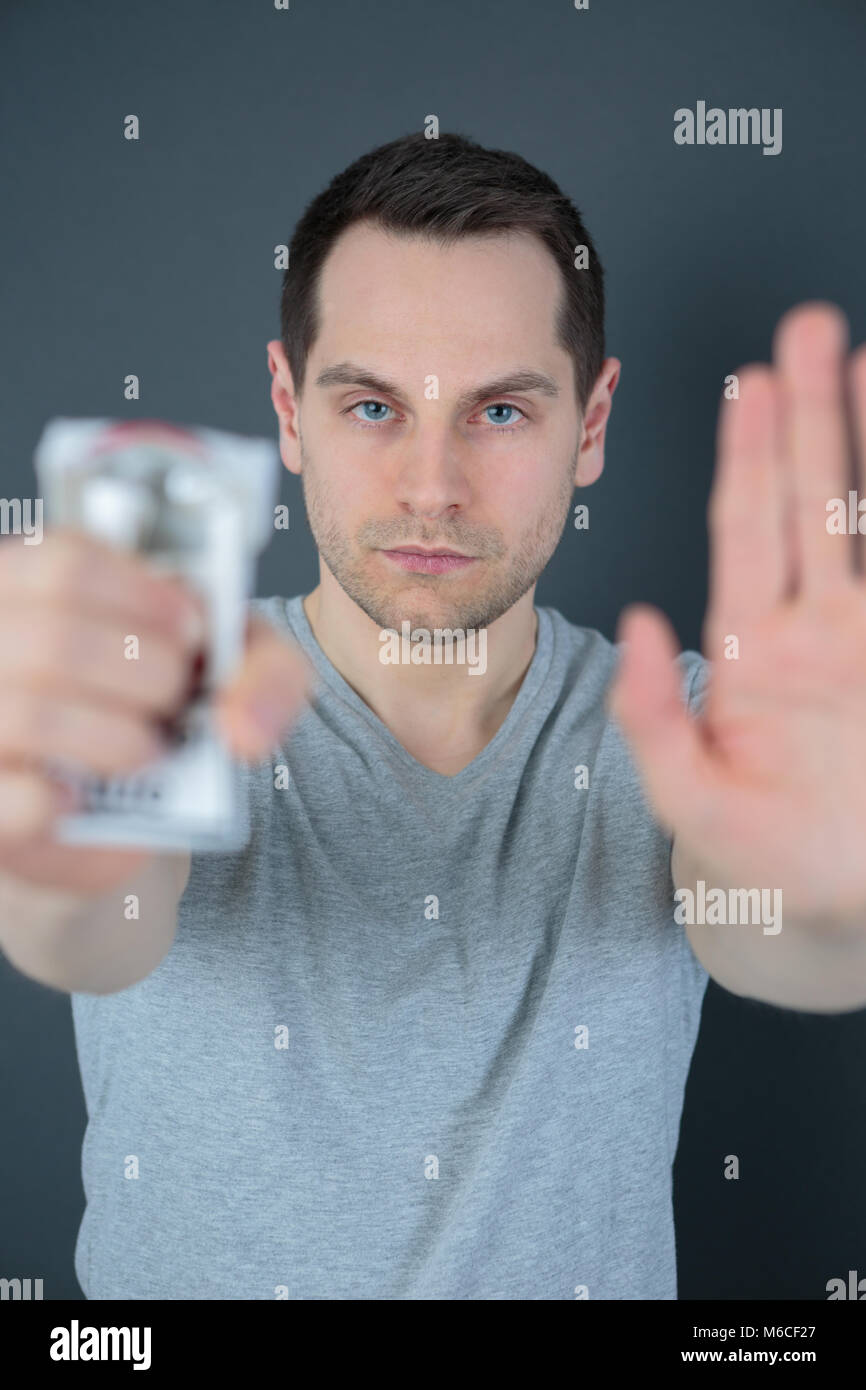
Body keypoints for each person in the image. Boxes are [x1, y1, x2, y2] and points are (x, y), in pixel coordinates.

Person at [2, 131, 866, 1301]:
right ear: (288, 409)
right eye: (369, 406)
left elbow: (788, 937)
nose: (429, 486)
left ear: (591, 422)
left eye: (499, 413)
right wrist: (56, 851)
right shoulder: (158, 702)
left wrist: (827, 896)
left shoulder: (701, 741)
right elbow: (92, 928)